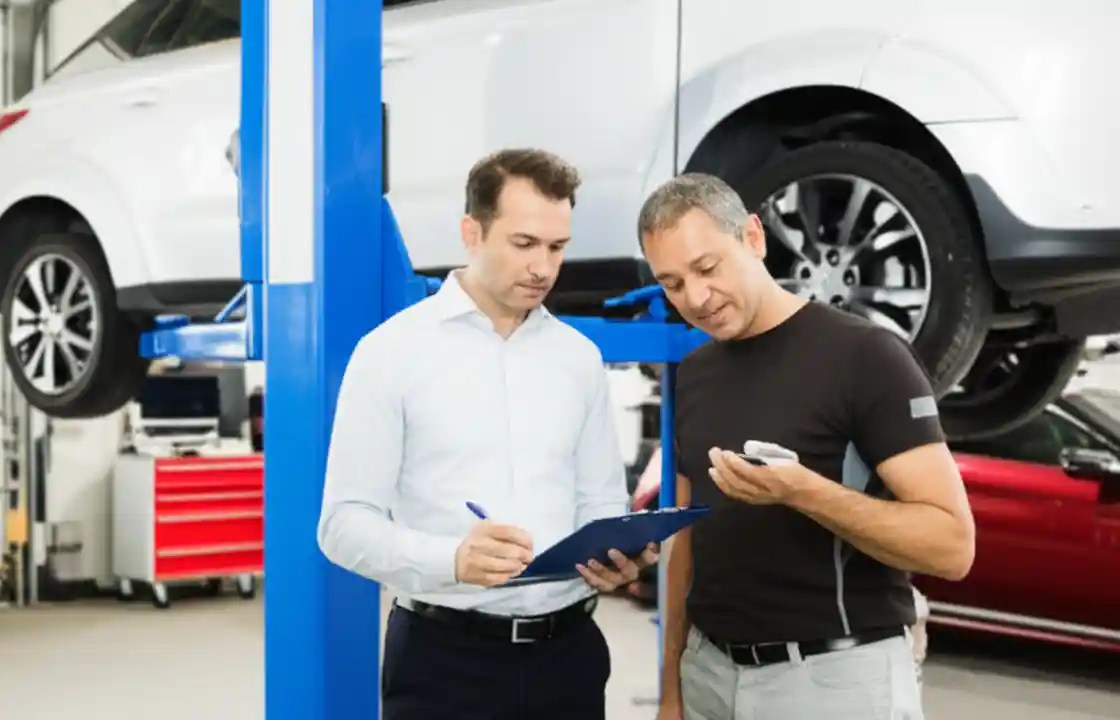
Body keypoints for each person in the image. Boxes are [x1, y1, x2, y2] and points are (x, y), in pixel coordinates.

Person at [317, 148, 659, 720]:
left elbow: (599, 501)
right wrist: (451, 559)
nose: (543, 269)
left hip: (570, 658)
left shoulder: (579, 359)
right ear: (471, 233)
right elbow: (342, 525)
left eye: (557, 247)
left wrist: (616, 552)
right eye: (524, 244)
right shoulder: (391, 353)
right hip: (444, 662)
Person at [635, 174, 975, 720]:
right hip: (708, 678)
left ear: (752, 237)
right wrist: (672, 687)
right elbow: (684, 542)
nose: (695, 298)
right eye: (672, 283)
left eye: (707, 268)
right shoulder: (693, 373)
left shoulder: (867, 358)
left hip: (831, 684)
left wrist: (806, 493)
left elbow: (952, 546)